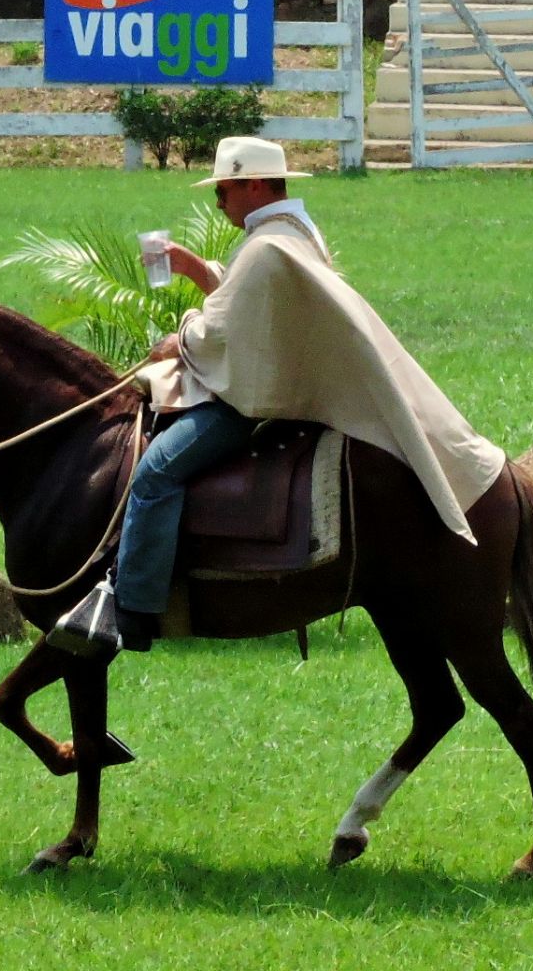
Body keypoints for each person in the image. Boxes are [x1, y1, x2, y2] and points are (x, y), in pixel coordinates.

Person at [52, 135, 505, 656]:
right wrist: (198, 270)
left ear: (255, 185)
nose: (217, 201)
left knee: (155, 472)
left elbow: (221, 333)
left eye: (223, 189)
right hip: (283, 382)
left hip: (253, 401)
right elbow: (253, 300)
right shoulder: (291, 232)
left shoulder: (266, 247)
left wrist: (180, 338)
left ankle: (132, 607)